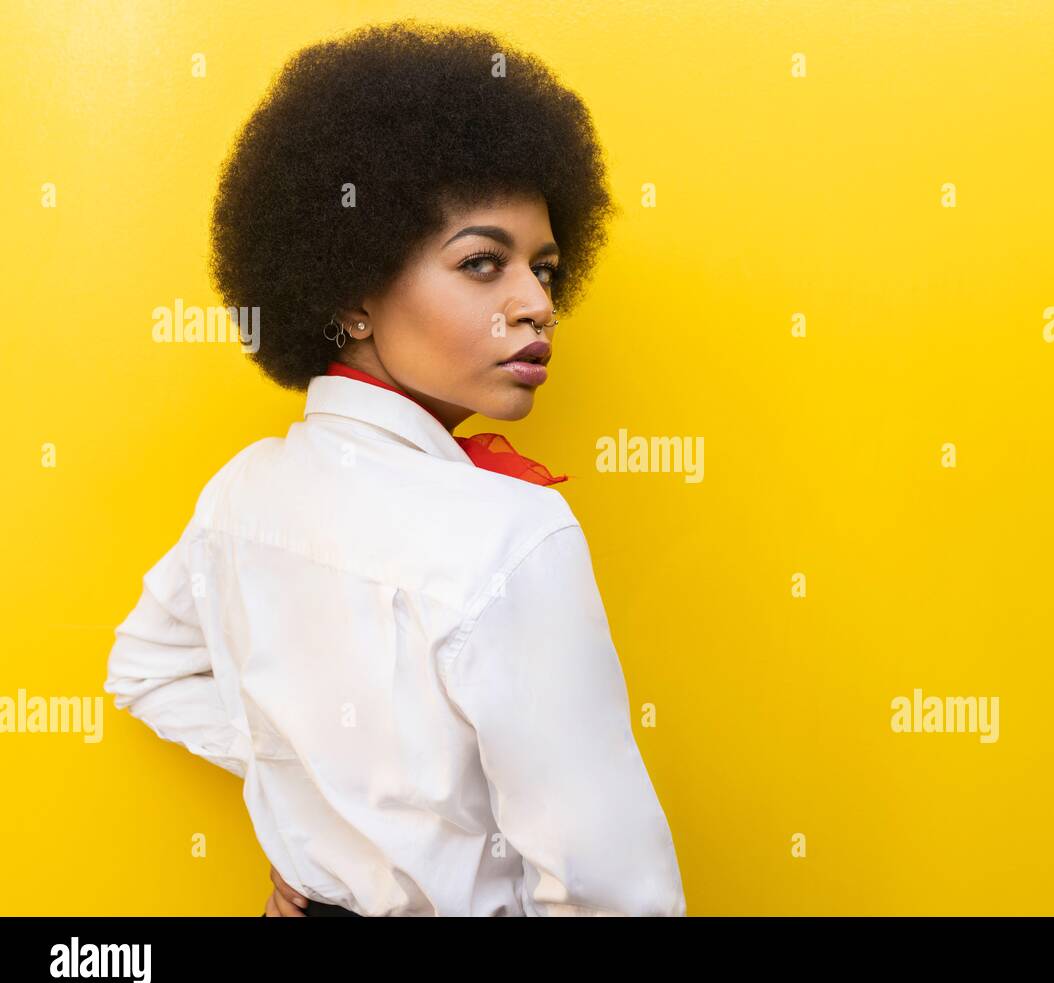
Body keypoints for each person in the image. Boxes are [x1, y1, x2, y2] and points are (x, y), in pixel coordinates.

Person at [104, 20, 686, 917]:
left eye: (544, 268)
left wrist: (316, 795)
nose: (536, 305)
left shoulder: (240, 493)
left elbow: (144, 666)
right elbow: (614, 897)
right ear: (352, 295)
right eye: (483, 264)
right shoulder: (513, 535)